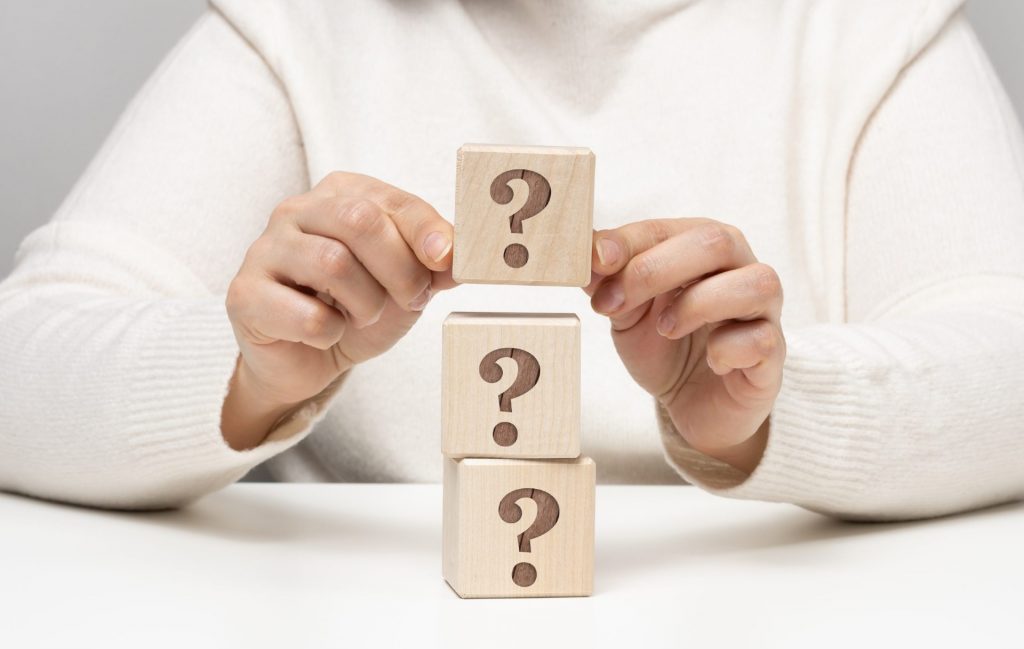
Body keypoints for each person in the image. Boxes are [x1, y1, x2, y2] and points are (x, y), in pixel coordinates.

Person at [1, 0, 1022, 519]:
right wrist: (246, 374)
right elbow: (19, 366)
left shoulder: (868, 28)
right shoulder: (301, 27)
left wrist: (768, 410)